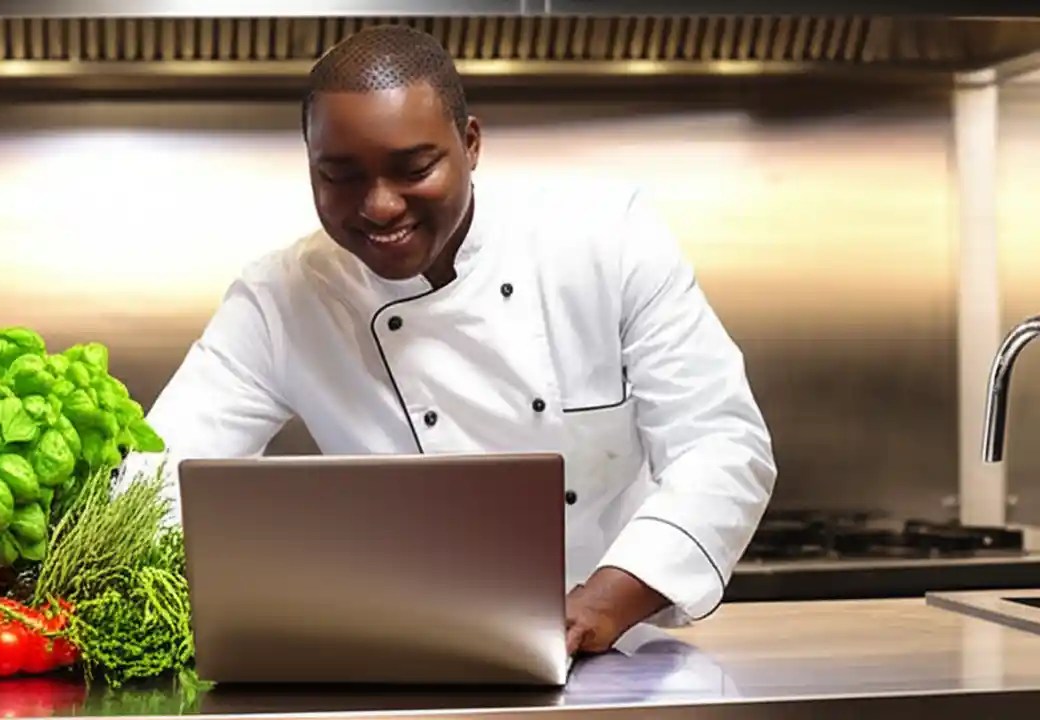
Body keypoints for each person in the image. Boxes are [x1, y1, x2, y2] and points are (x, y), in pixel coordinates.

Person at [138, 24, 776, 655]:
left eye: (413, 168)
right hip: (397, 655)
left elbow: (721, 443)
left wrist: (602, 603)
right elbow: (155, 482)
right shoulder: (281, 297)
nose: (380, 206)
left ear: (470, 144)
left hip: (623, 653)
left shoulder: (606, 238)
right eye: (341, 176)